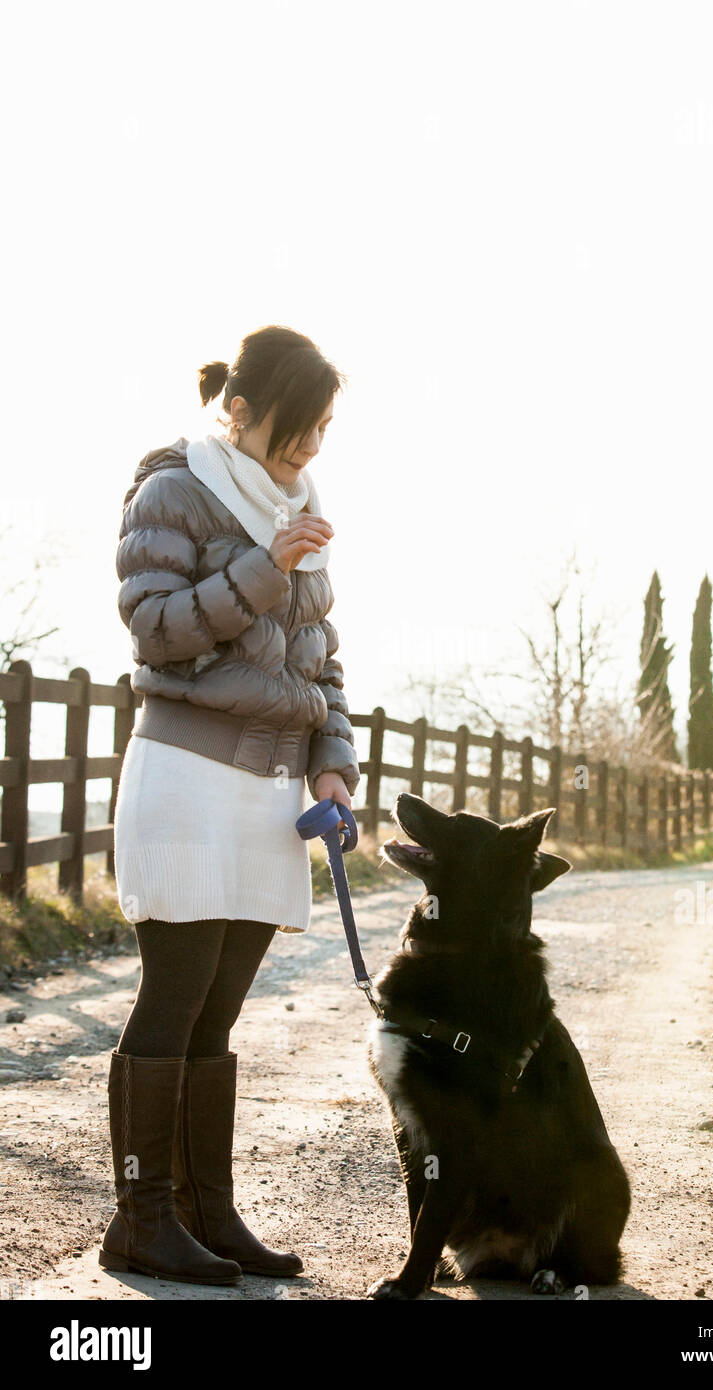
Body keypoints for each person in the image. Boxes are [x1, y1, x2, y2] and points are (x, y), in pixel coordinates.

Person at [101, 323, 361, 1286]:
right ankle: (140, 1218)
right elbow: (155, 629)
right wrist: (266, 567)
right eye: (298, 429)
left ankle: (209, 1218)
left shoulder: (301, 503)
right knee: (172, 1001)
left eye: (325, 431)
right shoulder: (173, 487)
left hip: (269, 797)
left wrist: (332, 765)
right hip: (185, 780)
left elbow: (321, 659)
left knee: (219, 1017)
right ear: (242, 409)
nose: (310, 451)